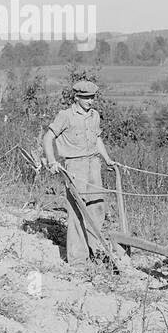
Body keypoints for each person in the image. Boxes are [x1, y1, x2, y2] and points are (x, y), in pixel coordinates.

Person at [42, 80, 117, 269]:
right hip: (75, 166)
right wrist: (52, 161)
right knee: (77, 211)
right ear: (76, 97)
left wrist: (107, 159)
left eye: (92, 97)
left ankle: (95, 249)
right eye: (86, 98)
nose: (90, 101)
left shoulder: (95, 116)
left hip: (94, 164)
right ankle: (77, 260)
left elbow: (97, 138)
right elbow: (48, 137)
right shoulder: (65, 116)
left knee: (97, 208)